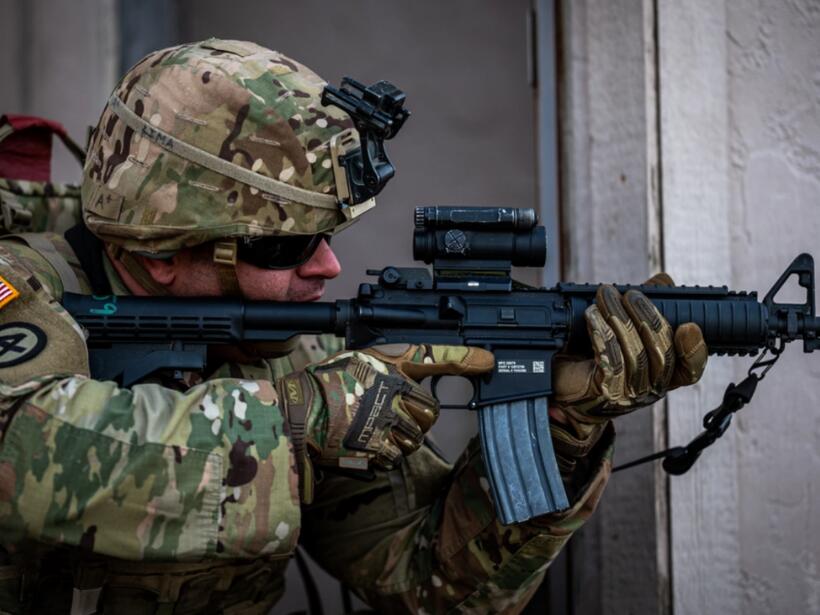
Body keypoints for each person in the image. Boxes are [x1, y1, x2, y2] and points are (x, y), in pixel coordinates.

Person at [0, 39, 707, 614]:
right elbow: (18, 448)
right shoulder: (25, 287)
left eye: (327, 233)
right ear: (161, 254)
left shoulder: (291, 349)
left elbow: (431, 581)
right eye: (285, 245)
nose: (329, 266)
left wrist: (562, 428)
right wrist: (294, 425)